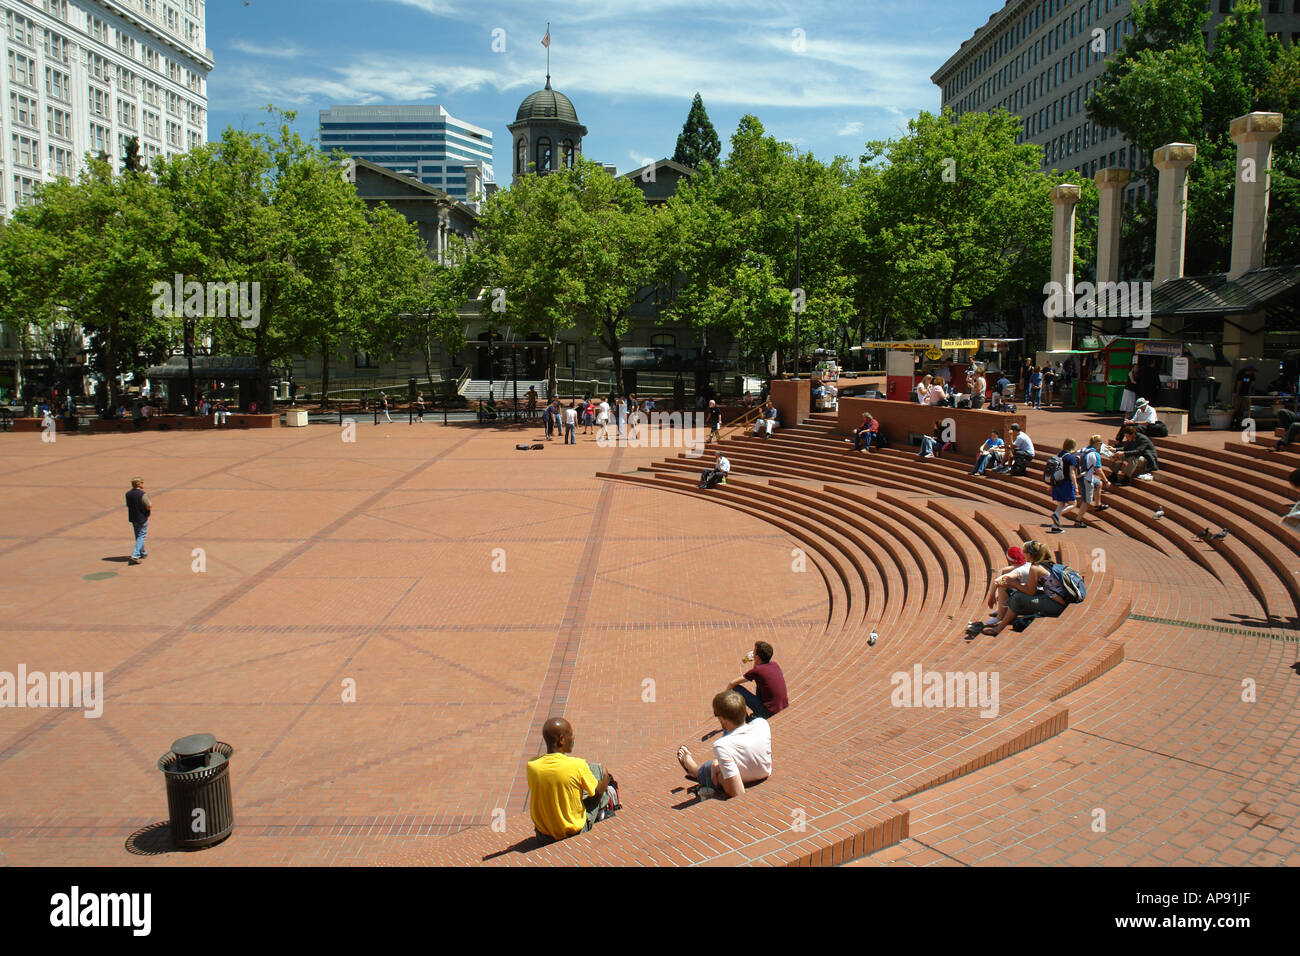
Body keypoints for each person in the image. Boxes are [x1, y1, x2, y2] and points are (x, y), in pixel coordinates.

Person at [526, 717, 616, 844]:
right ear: (562, 739)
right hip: (574, 830)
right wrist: (605, 777)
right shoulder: (577, 765)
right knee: (599, 772)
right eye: (571, 734)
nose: (573, 738)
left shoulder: (532, 766)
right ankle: (606, 805)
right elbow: (597, 792)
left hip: (543, 835)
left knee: (588, 773)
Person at [675, 691, 771, 799]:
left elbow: (737, 791)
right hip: (763, 772)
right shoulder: (762, 724)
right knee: (720, 760)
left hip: (742, 777)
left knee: (711, 767)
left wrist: (720, 778)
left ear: (723, 719)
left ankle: (694, 771)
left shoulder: (721, 745)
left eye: (717, 715)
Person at [982, 540, 1068, 636]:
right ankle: (1002, 615)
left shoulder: (1034, 568)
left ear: (1029, 555)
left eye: (1024, 552)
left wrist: (1014, 584)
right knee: (1015, 594)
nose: (1023, 554)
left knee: (1018, 598)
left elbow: (1030, 592)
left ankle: (998, 627)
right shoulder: (1043, 562)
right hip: (1057, 598)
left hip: (1056, 604)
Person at [727, 641, 788, 720]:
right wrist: (755, 660)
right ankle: (757, 715)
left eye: (754, 652)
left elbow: (732, 683)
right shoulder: (774, 665)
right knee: (760, 683)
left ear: (758, 657)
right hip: (781, 706)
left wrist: (722, 699)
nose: (752, 653)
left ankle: (746, 720)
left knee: (735, 689)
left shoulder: (758, 671)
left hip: (767, 712)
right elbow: (757, 673)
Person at [1074, 435, 1111, 524]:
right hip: (1086, 479)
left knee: (1098, 484)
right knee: (1086, 501)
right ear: (1097, 443)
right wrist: (1106, 481)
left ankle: (1098, 504)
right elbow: (1098, 470)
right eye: (1101, 443)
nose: (1101, 445)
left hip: (1079, 475)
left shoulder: (1082, 449)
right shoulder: (1095, 454)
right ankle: (1078, 521)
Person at [1046, 437, 1080, 534]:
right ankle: (1056, 515)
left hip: (1057, 483)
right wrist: (1076, 486)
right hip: (1066, 483)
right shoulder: (1070, 458)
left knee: (1061, 504)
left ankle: (1055, 526)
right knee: (1073, 503)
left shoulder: (1058, 455)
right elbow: (1072, 473)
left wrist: (1051, 485)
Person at [125, 476, 152, 566]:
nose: (143, 484)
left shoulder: (128, 494)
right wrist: (147, 512)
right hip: (142, 517)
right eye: (142, 482)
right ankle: (135, 555)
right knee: (142, 535)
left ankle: (142, 553)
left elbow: (127, 505)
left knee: (138, 535)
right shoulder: (142, 494)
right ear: (138, 484)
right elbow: (149, 505)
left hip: (133, 517)